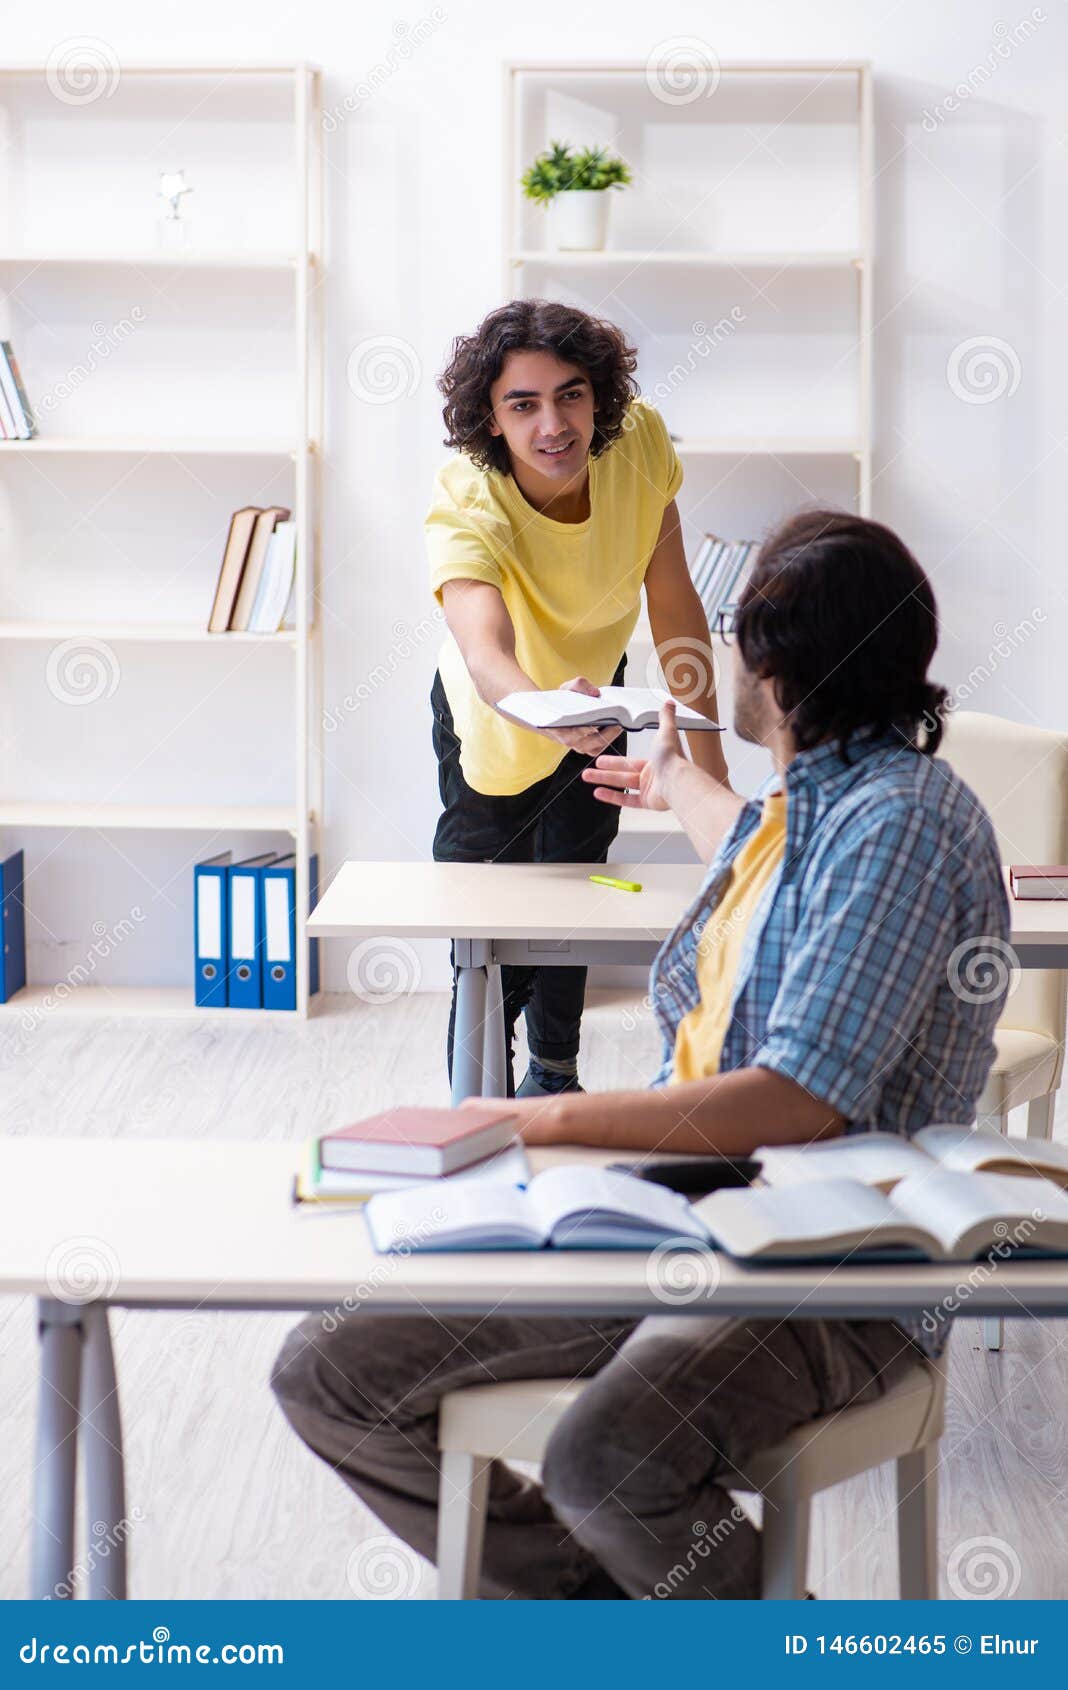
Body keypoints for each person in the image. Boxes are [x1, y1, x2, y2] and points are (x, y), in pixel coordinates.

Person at [273, 509, 1010, 1599]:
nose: (724, 652)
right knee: (328, 1372)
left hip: (829, 1266)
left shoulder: (899, 823)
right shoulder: (821, 795)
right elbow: (759, 848)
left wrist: (540, 1117)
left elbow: (799, 1101)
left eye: (740, 630)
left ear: (781, 672)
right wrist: (673, 781)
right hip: (681, 1214)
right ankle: (620, 1631)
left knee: (607, 1458)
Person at [425, 297, 728, 1099]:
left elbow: (674, 606)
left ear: (599, 396)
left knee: (578, 897)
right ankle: (478, 1104)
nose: (553, 425)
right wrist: (551, 715)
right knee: (488, 928)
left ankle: (555, 1080)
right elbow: (486, 654)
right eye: (522, 405)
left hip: (598, 699)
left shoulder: (640, 442)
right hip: (496, 717)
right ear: (491, 420)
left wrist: (713, 776)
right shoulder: (466, 497)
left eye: (571, 395)